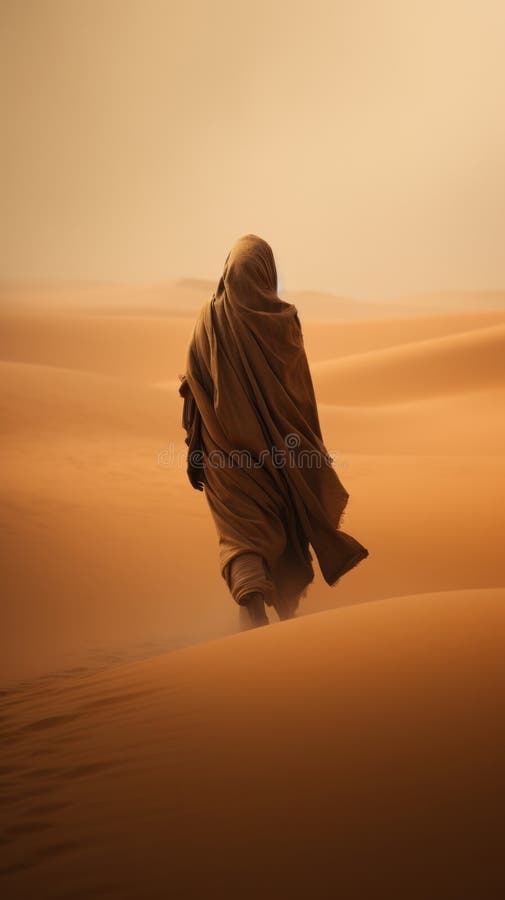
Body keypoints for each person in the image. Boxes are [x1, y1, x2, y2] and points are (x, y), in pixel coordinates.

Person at [178, 234, 369, 627]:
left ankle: (252, 617)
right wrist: (307, 448)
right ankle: (275, 628)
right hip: (278, 454)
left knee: (241, 534)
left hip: (223, 458)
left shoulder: (206, 320)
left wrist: (196, 450)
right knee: (279, 527)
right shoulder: (282, 322)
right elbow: (299, 395)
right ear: (267, 272)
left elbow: (192, 390)